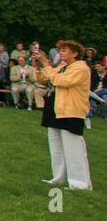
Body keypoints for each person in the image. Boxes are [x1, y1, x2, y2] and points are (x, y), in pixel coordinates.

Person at [35, 41, 93, 191]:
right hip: (55, 108)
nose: (60, 53)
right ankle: (59, 178)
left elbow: (61, 81)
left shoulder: (81, 68)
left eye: (64, 50)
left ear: (74, 53)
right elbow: (44, 79)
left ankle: (79, 183)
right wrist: (39, 67)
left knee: (73, 148)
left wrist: (47, 65)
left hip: (71, 111)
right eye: (60, 50)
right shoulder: (62, 67)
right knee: (57, 147)